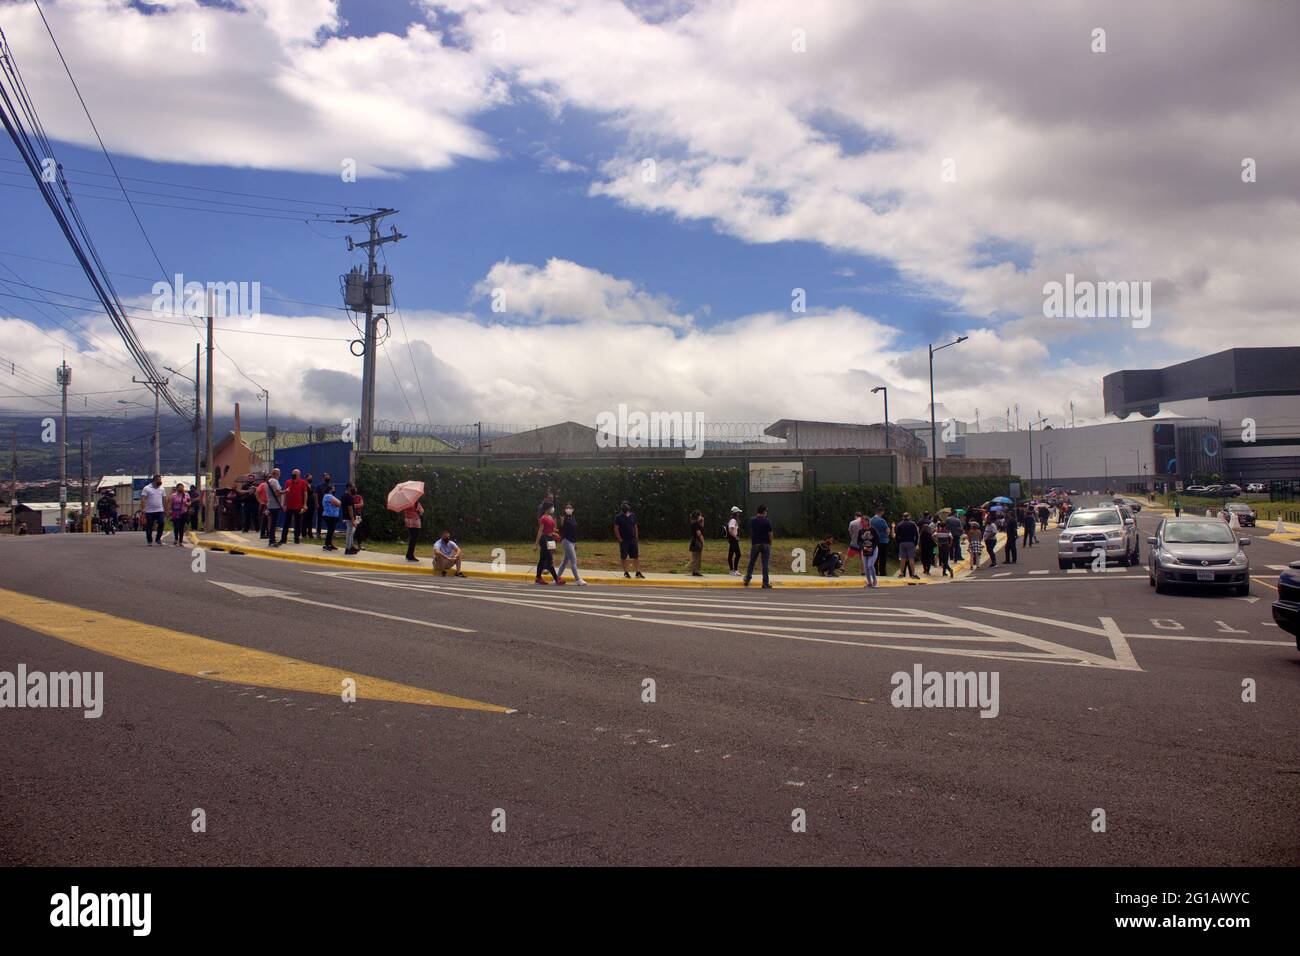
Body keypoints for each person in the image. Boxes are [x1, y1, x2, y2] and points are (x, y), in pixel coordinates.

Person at [743, 504, 774, 588]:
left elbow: (751, 531)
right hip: (765, 544)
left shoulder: (752, 520)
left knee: (752, 562)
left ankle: (747, 579)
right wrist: (770, 543)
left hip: (755, 544)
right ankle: (765, 582)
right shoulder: (767, 521)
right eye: (766, 511)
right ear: (764, 512)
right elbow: (770, 534)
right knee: (765, 564)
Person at [555, 504, 586, 585]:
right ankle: (578, 579)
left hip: (572, 541)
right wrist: (561, 522)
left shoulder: (573, 518)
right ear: (565, 509)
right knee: (573, 560)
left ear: (573, 509)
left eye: (570, 508)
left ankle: (557, 577)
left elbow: (574, 531)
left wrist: (575, 543)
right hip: (566, 541)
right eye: (567, 508)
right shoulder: (563, 518)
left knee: (565, 561)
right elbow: (560, 527)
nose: (568, 509)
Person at [535, 503, 564, 585]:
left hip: (551, 539)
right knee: (549, 558)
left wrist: (555, 533)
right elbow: (540, 531)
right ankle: (556, 578)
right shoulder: (543, 518)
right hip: (544, 539)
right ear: (547, 508)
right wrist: (536, 544)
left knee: (543, 559)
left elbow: (552, 529)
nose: (552, 509)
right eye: (551, 507)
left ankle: (538, 577)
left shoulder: (550, 517)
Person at [614, 501, 644, 579]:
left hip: (633, 540)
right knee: (624, 557)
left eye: (626, 507)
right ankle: (626, 572)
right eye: (624, 507)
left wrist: (636, 537)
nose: (625, 508)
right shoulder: (618, 517)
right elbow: (616, 528)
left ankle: (638, 572)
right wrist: (620, 539)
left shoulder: (633, 516)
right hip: (624, 541)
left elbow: (635, 526)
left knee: (635, 557)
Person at [280, 468, 309, 544]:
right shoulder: (288, 482)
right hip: (289, 506)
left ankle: (296, 539)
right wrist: (284, 504)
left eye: (295, 474)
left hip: (298, 506)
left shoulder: (302, 482)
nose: (294, 475)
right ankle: (283, 539)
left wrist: (305, 504)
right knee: (286, 523)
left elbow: (305, 494)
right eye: (293, 473)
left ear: (299, 475)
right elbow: (285, 493)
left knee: (298, 523)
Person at [140, 474, 167, 546]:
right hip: (149, 511)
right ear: (154, 480)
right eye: (159, 480)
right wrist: (143, 509)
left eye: (160, 480)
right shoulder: (147, 488)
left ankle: (158, 539)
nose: (160, 481)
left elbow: (164, 499)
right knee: (149, 525)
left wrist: (165, 509)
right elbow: (143, 499)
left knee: (161, 523)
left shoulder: (162, 488)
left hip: (160, 510)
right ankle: (149, 540)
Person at [895, 512, 919, 579]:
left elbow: (897, 536)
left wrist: (898, 543)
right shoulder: (912, 524)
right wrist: (915, 543)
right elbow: (916, 535)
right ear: (909, 517)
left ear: (903, 517)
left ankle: (901, 573)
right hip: (910, 542)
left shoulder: (899, 525)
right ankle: (913, 574)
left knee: (903, 559)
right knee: (911, 558)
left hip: (902, 542)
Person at [264, 468, 284, 547]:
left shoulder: (269, 481)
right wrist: (286, 491)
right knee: (273, 524)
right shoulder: (274, 481)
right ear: (276, 473)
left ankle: (271, 539)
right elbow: (277, 493)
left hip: (270, 505)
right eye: (279, 473)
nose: (280, 475)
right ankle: (272, 540)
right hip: (274, 506)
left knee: (271, 523)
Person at [870, 506, 891, 577]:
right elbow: (887, 531)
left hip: (874, 541)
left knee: (875, 557)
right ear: (881, 512)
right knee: (882, 558)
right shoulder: (882, 520)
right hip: (883, 541)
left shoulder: (871, 520)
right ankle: (882, 572)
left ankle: (875, 571)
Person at [169, 482, 191, 547]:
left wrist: (188, 504)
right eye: (180, 487)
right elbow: (170, 503)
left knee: (181, 527)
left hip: (183, 512)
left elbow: (189, 502)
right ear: (177, 488)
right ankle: (176, 538)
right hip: (175, 513)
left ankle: (180, 541)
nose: (181, 489)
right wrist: (170, 511)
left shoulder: (186, 495)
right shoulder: (173, 495)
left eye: (182, 487)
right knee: (176, 527)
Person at [320, 484, 341, 550]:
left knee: (331, 530)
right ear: (330, 490)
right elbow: (338, 503)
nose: (334, 490)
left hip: (332, 515)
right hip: (329, 515)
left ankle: (330, 544)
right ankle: (326, 545)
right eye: (333, 488)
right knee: (330, 530)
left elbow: (337, 503)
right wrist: (338, 503)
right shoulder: (328, 496)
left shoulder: (329, 496)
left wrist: (337, 503)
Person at [725, 506, 743, 575]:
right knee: (738, 554)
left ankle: (731, 570)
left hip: (732, 539)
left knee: (731, 554)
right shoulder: (733, 520)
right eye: (738, 512)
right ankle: (735, 570)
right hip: (733, 539)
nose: (739, 513)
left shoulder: (732, 520)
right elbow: (730, 530)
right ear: (736, 513)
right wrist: (736, 537)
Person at [687, 510, 706, 576]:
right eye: (700, 515)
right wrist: (703, 542)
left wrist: (702, 521)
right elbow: (699, 534)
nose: (701, 516)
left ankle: (695, 571)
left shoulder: (696, 524)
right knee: (696, 557)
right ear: (697, 516)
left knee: (698, 556)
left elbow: (702, 528)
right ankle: (689, 568)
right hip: (696, 541)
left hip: (696, 541)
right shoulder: (695, 524)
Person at [314, 473, 332, 537]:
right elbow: (315, 494)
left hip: (328, 506)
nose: (328, 478)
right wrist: (316, 503)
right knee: (319, 519)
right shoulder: (319, 485)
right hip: (321, 504)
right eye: (327, 477)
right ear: (323, 478)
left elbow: (331, 495)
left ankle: (330, 532)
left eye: (329, 477)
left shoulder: (330, 486)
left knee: (329, 519)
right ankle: (318, 532)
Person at [847, 511, 864, 575]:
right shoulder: (863, 522)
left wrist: (852, 537)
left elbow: (850, 532)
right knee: (862, 558)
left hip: (854, 542)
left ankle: (843, 567)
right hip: (861, 543)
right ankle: (863, 572)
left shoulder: (852, 522)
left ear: (855, 516)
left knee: (848, 555)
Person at [863, 520, 880, 588]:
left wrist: (872, 547)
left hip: (873, 549)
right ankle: (869, 582)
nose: (862, 523)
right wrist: (862, 547)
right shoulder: (861, 530)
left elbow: (877, 539)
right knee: (866, 567)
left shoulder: (873, 529)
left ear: (867, 521)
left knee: (870, 565)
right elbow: (859, 541)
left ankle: (875, 581)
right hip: (864, 550)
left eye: (863, 521)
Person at [302, 473, 316, 539]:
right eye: (310, 478)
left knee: (310, 519)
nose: (311, 479)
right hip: (305, 504)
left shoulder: (312, 486)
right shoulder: (303, 485)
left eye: (311, 478)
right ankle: (304, 533)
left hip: (311, 504)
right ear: (306, 478)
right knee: (304, 519)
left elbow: (314, 494)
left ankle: (310, 533)